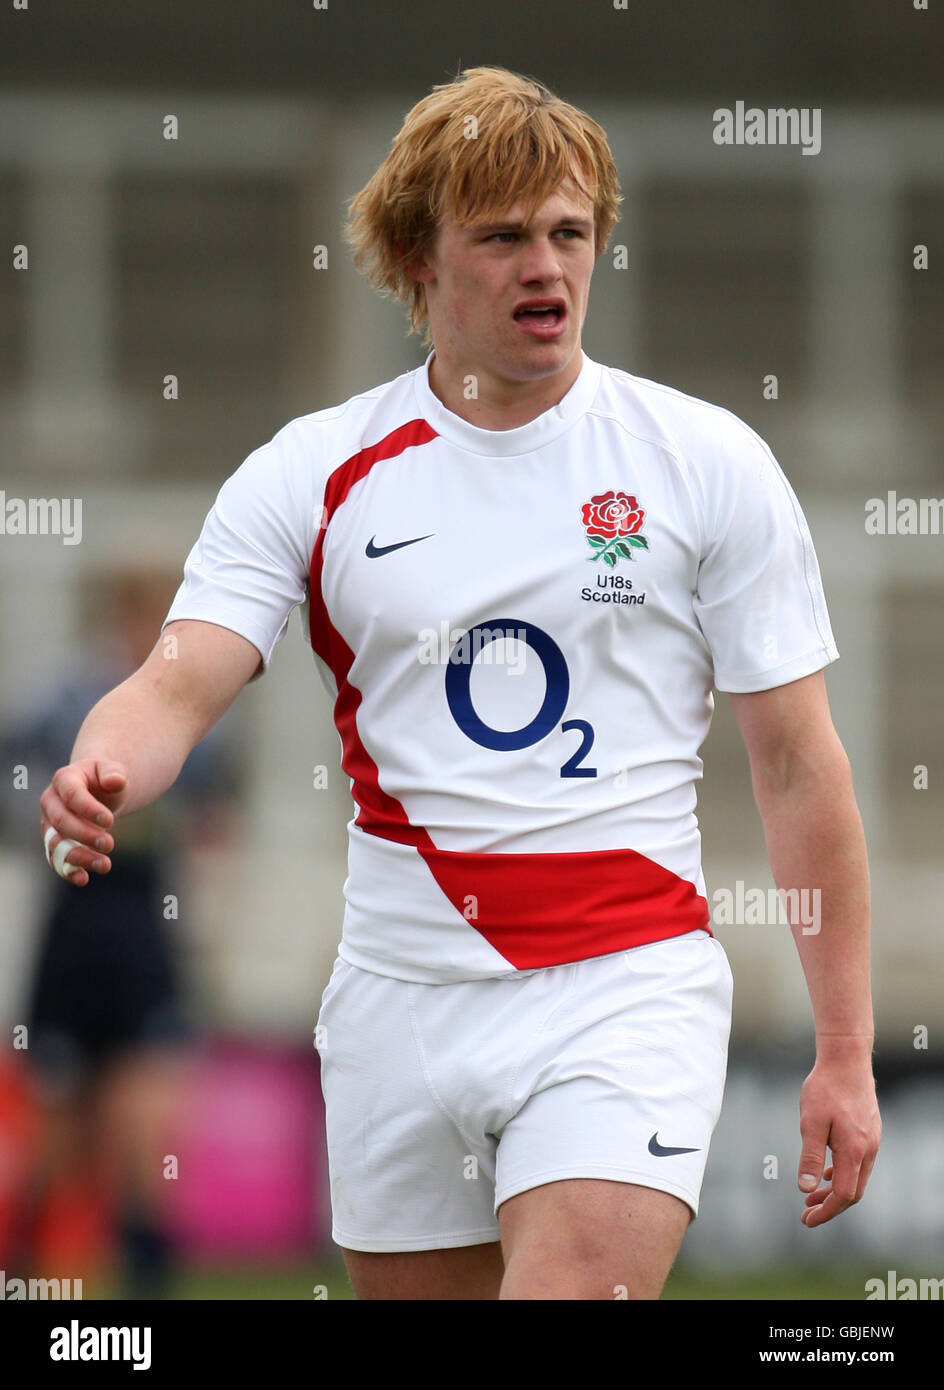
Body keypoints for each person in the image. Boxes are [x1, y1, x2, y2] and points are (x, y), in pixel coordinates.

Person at [38, 66, 880, 1301]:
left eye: (568, 233)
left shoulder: (704, 464)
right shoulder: (312, 472)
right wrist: (101, 768)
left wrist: (845, 1052)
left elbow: (798, 761)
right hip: (399, 997)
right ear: (417, 260)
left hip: (622, 981)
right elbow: (171, 687)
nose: (545, 267)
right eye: (501, 237)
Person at [5, 568, 238, 1297]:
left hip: (146, 934)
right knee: (58, 1152)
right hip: (74, 927)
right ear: (120, 612)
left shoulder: (200, 716)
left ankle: (142, 1312)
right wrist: (39, 825)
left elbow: (214, 817)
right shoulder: (62, 703)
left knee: (146, 1146)